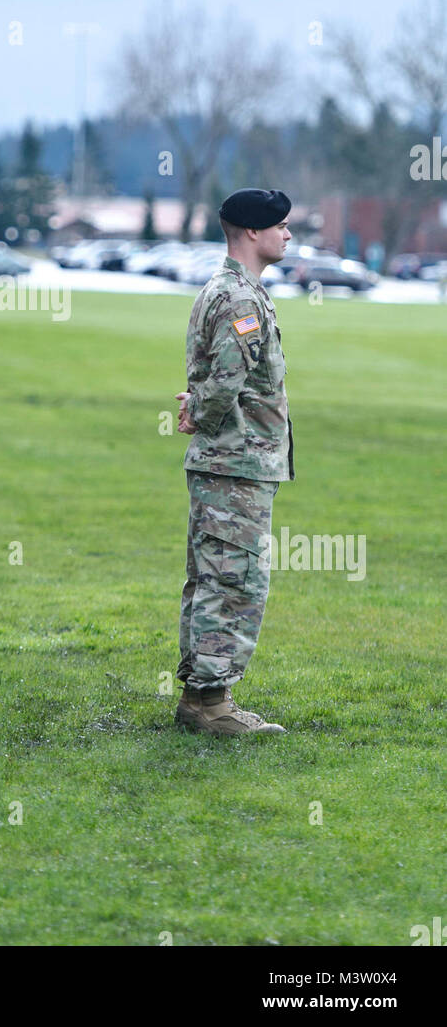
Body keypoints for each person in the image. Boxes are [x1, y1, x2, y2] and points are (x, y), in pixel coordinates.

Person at [173, 188, 295, 737]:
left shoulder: (227, 290)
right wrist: (200, 411)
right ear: (252, 231)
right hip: (236, 466)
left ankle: (204, 700)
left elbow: (212, 380)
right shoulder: (241, 299)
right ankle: (211, 706)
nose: (288, 233)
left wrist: (197, 406)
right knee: (233, 581)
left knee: (213, 579)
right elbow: (224, 383)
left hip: (229, 464)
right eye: (281, 225)